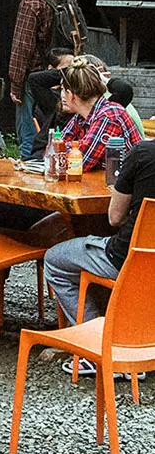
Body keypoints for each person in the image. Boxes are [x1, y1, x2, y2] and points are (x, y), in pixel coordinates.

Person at [45, 139, 155, 363]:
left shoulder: (143, 153)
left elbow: (114, 218)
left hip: (128, 259)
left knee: (54, 260)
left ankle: (95, 346)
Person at [8, 0, 73, 159]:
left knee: (28, 132)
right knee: (57, 125)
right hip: (64, 72)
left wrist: (16, 84)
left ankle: (28, 167)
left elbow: (22, 46)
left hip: (35, 76)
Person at [55, 58, 142, 171]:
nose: (61, 95)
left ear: (71, 95)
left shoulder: (109, 115)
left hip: (131, 185)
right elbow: (54, 150)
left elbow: (81, 162)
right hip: (105, 183)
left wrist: (70, 148)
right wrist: (74, 147)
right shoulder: (81, 117)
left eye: (62, 89)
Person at [27, 47, 75, 159]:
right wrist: (75, 72)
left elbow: (123, 90)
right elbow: (34, 80)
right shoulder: (54, 101)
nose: (65, 95)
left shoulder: (94, 112)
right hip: (43, 158)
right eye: (68, 68)